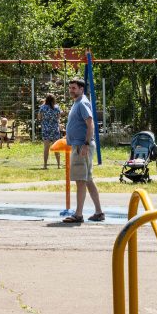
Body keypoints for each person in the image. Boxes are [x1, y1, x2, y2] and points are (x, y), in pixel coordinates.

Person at [61, 79, 105, 224]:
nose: (71, 90)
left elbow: (90, 123)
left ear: (81, 89)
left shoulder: (82, 103)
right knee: (88, 180)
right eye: (70, 88)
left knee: (80, 180)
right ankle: (99, 212)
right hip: (79, 145)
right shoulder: (77, 103)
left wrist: (85, 143)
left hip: (82, 146)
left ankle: (78, 214)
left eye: (74, 88)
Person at [37, 94, 62, 169]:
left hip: (46, 129)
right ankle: (58, 165)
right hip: (55, 129)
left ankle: (45, 165)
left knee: (46, 147)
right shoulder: (57, 107)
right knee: (56, 147)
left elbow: (39, 117)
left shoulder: (42, 107)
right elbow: (58, 118)